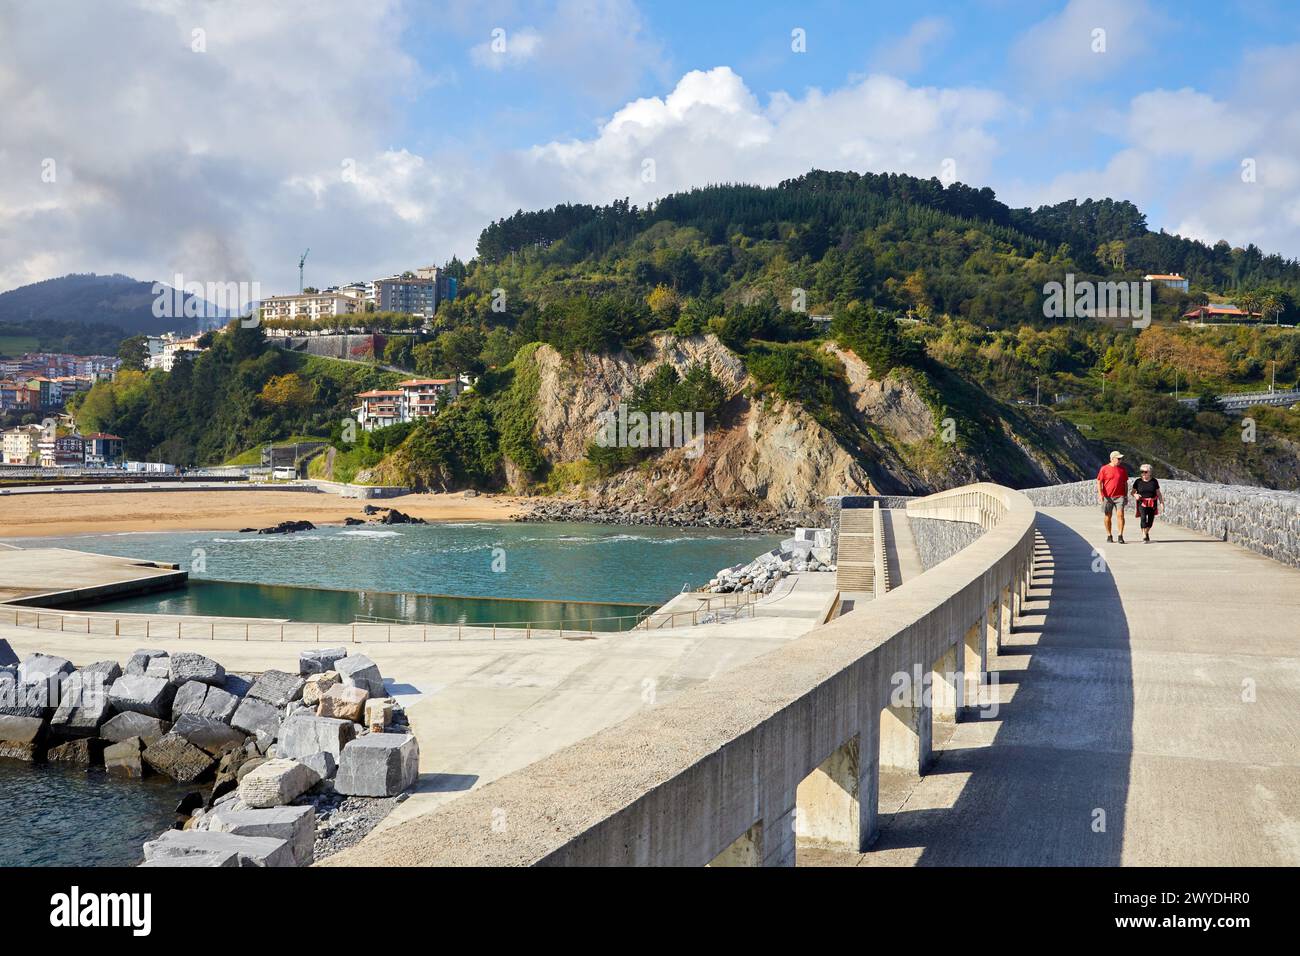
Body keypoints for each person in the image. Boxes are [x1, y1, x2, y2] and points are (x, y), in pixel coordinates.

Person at [1097, 450, 1130, 543]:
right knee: (1108, 516)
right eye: (1118, 459)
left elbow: (1125, 483)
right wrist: (1100, 494)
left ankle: (1120, 535)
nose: (1120, 460)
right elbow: (1099, 481)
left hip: (1120, 496)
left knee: (1120, 515)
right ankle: (1109, 535)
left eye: (1121, 459)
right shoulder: (1104, 469)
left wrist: (1126, 495)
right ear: (1112, 459)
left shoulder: (1122, 469)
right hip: (1108, 496)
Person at [1131, 463, 1164, 543]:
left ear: (1150, 472)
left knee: (1150, 521)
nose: (1143, 474)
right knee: (1143, 518)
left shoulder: (1154, 481)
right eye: (1142, 472)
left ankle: (1146, 532)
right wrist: (1135, 495)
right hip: (1142, 502)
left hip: (1152, 502)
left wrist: (1162, 503)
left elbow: (1158, 493)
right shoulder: (1138, 481)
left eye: (1145, 472)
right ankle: (1144, 536)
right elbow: (1132, 492)